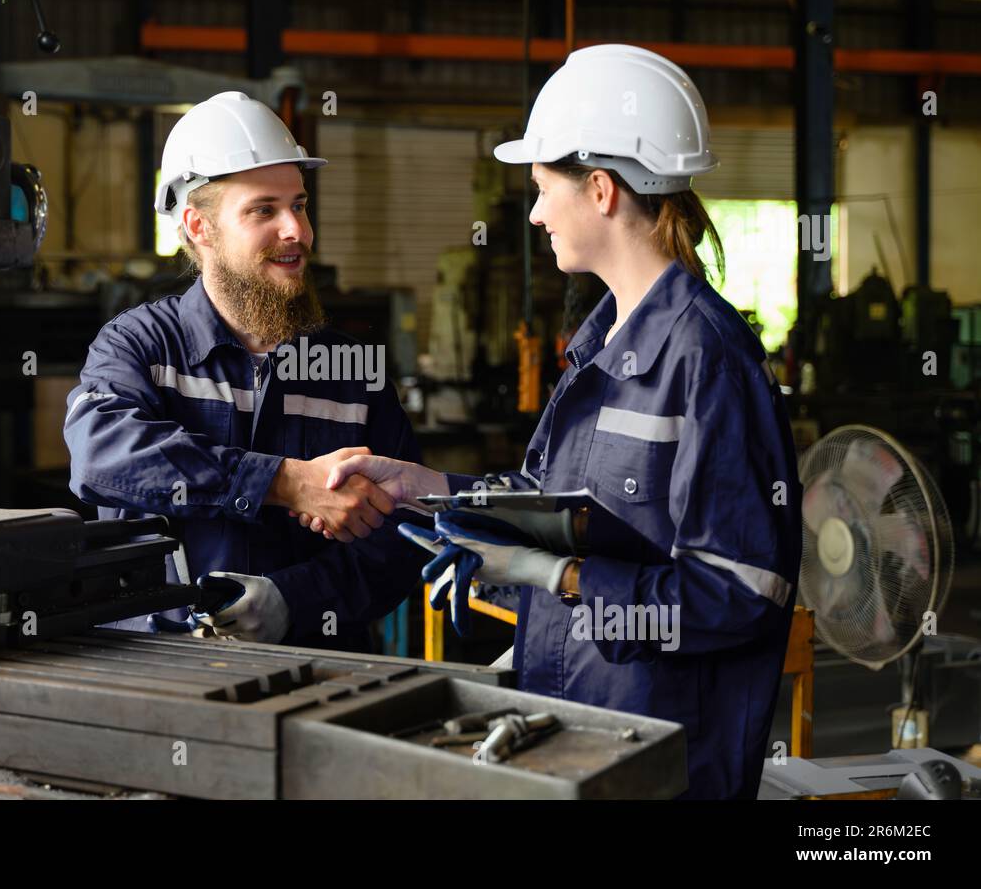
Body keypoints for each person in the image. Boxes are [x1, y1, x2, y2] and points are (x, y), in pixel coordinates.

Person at [301, 46, 802, 798]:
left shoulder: (706, 357)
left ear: (600, 190)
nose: (533, 212)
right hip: (577, 738)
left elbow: (740, 597)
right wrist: (428, 488)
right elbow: (556, 508)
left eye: (541, 188)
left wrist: (559, 578)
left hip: (664, 763)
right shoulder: (601, 341)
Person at [63, 92, 423, 650]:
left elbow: (403, 533)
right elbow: (102, 457)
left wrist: (293, 601)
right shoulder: (140, 345)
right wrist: (284, 484)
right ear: (199, 227)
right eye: (264, 210)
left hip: (317, 675)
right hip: (156, 669)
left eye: (299, 205)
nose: (297, 231)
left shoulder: (351, 370)